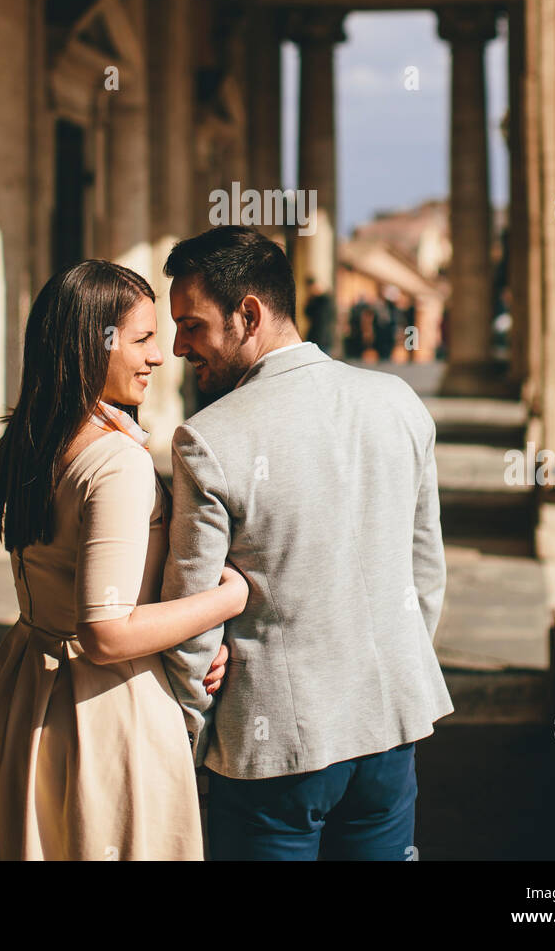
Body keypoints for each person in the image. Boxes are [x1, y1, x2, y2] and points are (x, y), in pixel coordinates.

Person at [159, 226, 453, 861]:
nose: (179, 345)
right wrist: (392, 664)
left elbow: (190, 619)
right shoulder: (398, 402)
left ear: (249, 314)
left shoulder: (207, 439)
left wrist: (189, 731)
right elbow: (425, 571)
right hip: (389, 725)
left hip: (273, 754)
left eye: (192, 325)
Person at [0, 259, 249, 861]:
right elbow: (106, 631)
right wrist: (227, 599)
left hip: (23, 688)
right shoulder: (116, 462)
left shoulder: (30, 437)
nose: (160, 356)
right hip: (100, 710)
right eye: (143, 339)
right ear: (92, 342)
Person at [303, 276, 336, 353]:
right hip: (315, 337)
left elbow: (325, 319)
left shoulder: (325, 300)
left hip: (323, 338)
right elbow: (307, 314)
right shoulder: (314, 301)